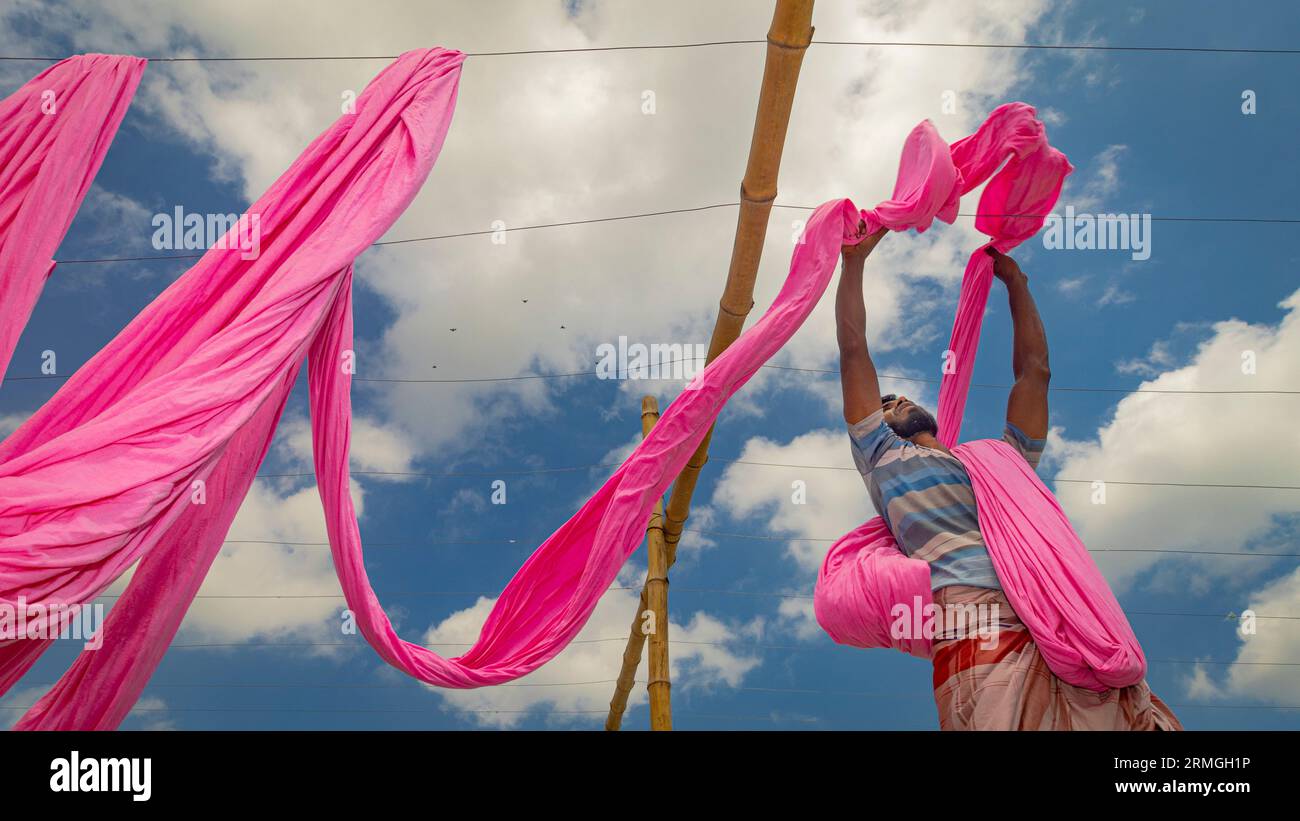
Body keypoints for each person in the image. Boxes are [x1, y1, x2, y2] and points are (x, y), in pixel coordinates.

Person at [835, 223, 1182, 730]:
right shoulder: (884, 459)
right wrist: (855, 263)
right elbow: (853, 351)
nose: (896, 401)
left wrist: (1016, 282)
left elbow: (1035, 372)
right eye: (886, 404)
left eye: (901, 396)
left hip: (1064, 629)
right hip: (976, 633)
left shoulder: (1004, 463)